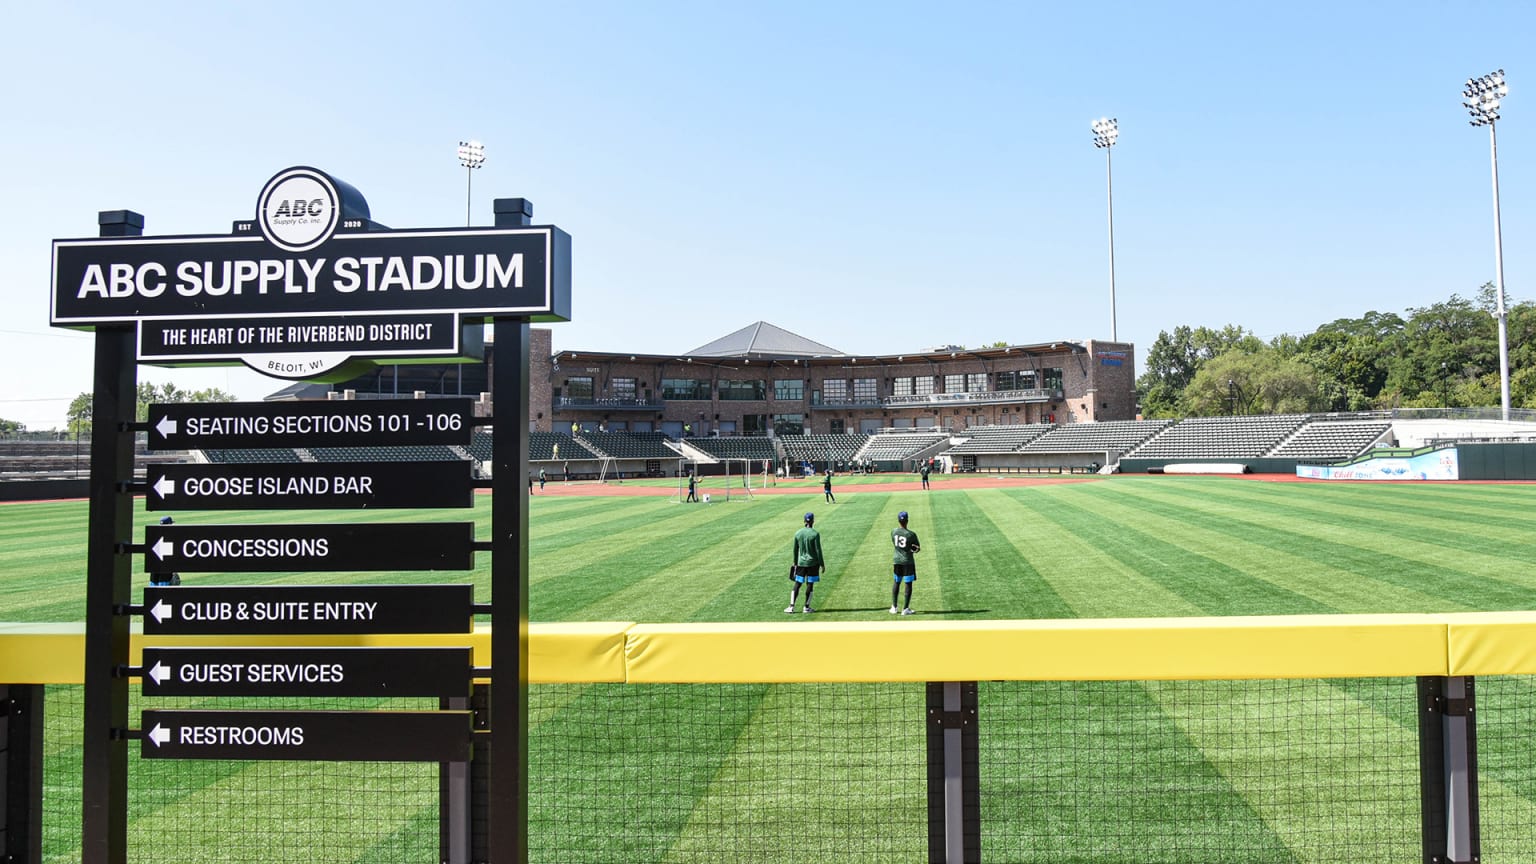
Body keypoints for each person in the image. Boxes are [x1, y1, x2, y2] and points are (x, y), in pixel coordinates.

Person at [787, 512, 825, 614]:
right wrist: (822, 564)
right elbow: (818, 550)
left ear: (804, 521)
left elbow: (795, 549)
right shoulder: (815, 534)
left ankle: (791, 607)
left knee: (797, 584)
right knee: (810, 584)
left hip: (801, 563)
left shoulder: (798, 533)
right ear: (813, 521)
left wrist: (795, 562)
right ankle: (806, 607)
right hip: (813, 563)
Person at [890, 510, 921, 615]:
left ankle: (894, 607)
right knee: (908, 584)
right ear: (907, 520)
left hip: (897, 561)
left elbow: (895, 544)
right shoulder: (911, 535)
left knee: (896, 582)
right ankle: (905, 609)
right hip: (908, 562)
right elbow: (917, 548)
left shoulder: (893, 531)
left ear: (898, 520)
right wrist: (912, 549)